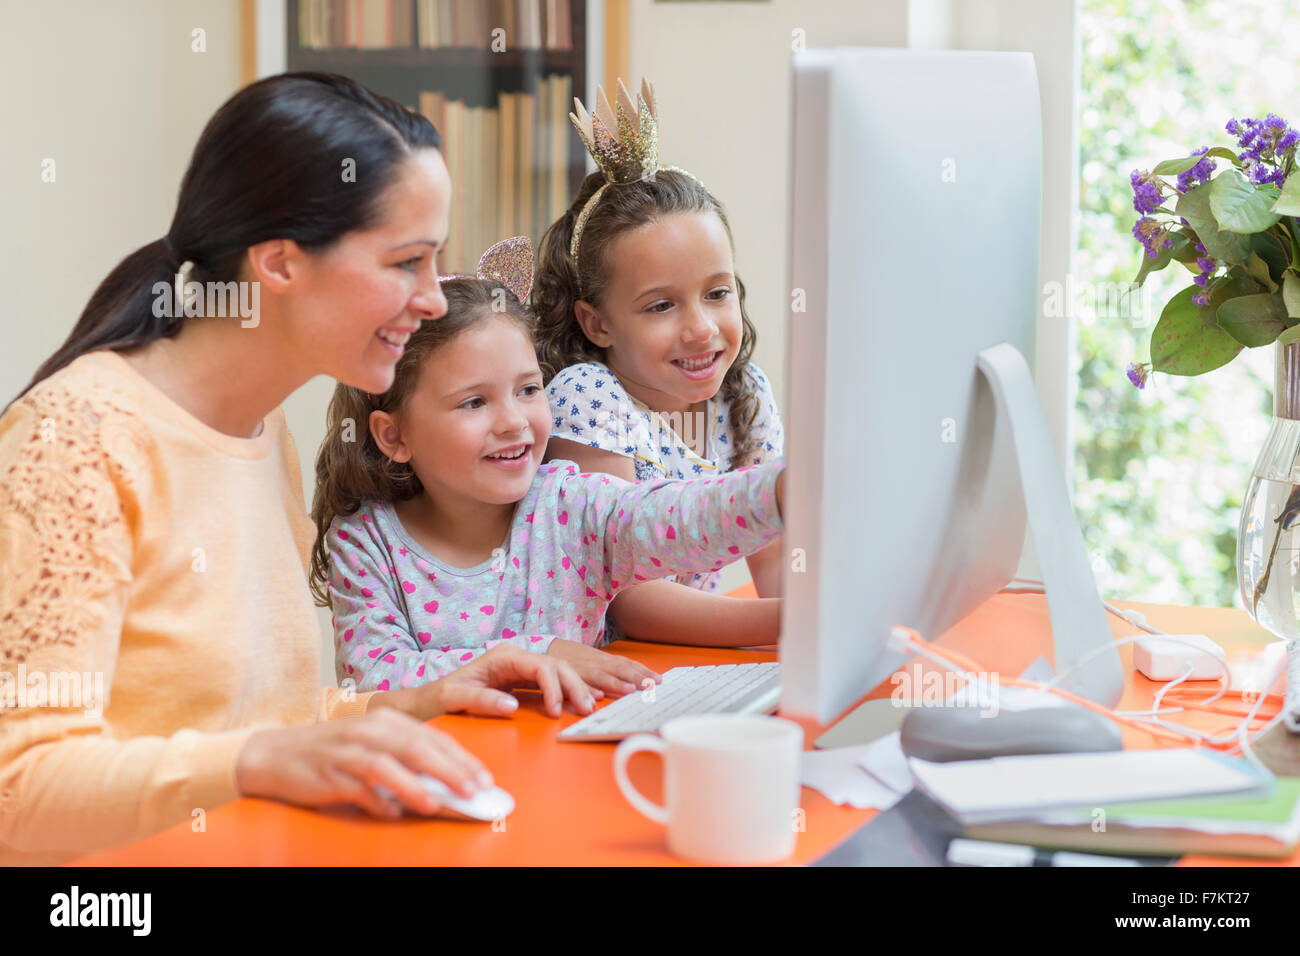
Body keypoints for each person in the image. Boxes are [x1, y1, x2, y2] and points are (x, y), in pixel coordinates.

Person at [0, 72, 595, 865]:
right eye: (406, 262)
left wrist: (423, 699)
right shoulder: (74, 441)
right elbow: (23, 789)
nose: (431, 298)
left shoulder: (261, 428)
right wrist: (260, 765)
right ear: (279, 264)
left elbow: (258, 720)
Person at [310, 254, 788, 695]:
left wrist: (780, 491)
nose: (514, 422)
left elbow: (679, 518)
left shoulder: (570, 506)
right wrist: (532, 655)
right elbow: (373, 680)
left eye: (528, 389)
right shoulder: (366, 542)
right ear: (394, 437)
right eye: (474, 402)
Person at [532, 78, 786, 647]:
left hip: (687, 668)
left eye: (718, 293)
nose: (700, 328)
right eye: (662, 305)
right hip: (607, 671)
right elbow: (632, 601)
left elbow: (776, 553)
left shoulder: (744, 392)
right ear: (597, 323)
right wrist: (789, 626)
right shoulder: (588, 396)